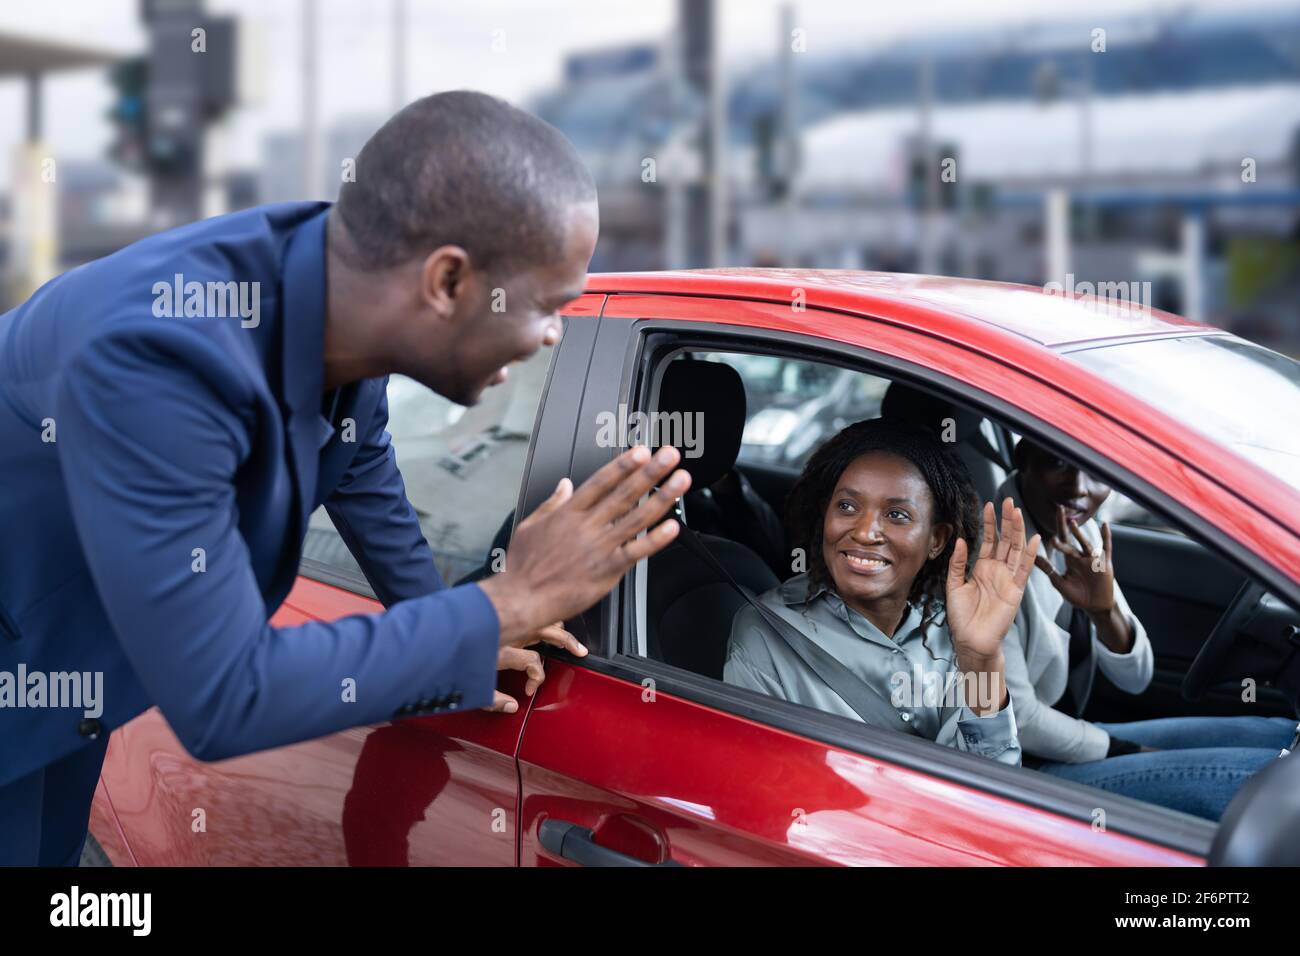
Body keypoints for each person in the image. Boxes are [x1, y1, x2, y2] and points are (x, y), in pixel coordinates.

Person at [0, 91, 693, 865]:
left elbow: (366, 482)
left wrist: (463, 632)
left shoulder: (341, 290)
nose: (554, 335)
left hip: (72, 672)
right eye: (547, 306)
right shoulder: (160, 358)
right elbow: (224, 699)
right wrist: (510, 600)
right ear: (448, 282)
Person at [998, 439, 1294, 820]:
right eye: (1058, 463)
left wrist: (1104, 613)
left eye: (1096, 469)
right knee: (1268, 785)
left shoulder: (1078, 530)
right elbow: (1017, 721)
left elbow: (1136, 679)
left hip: (1065, 733)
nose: (1079, 487)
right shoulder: (992, 556)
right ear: (1023, 459)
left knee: (1276, 735)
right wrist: (1123, 749)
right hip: (1021, 769)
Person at [724, 418, 1041, 765]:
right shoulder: (767, 633)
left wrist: (981, 662)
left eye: (896, 514)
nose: (865, 532)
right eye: (847, 506)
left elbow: (990, 778)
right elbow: (761, 776)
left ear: (936, 540)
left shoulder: (951, 630)